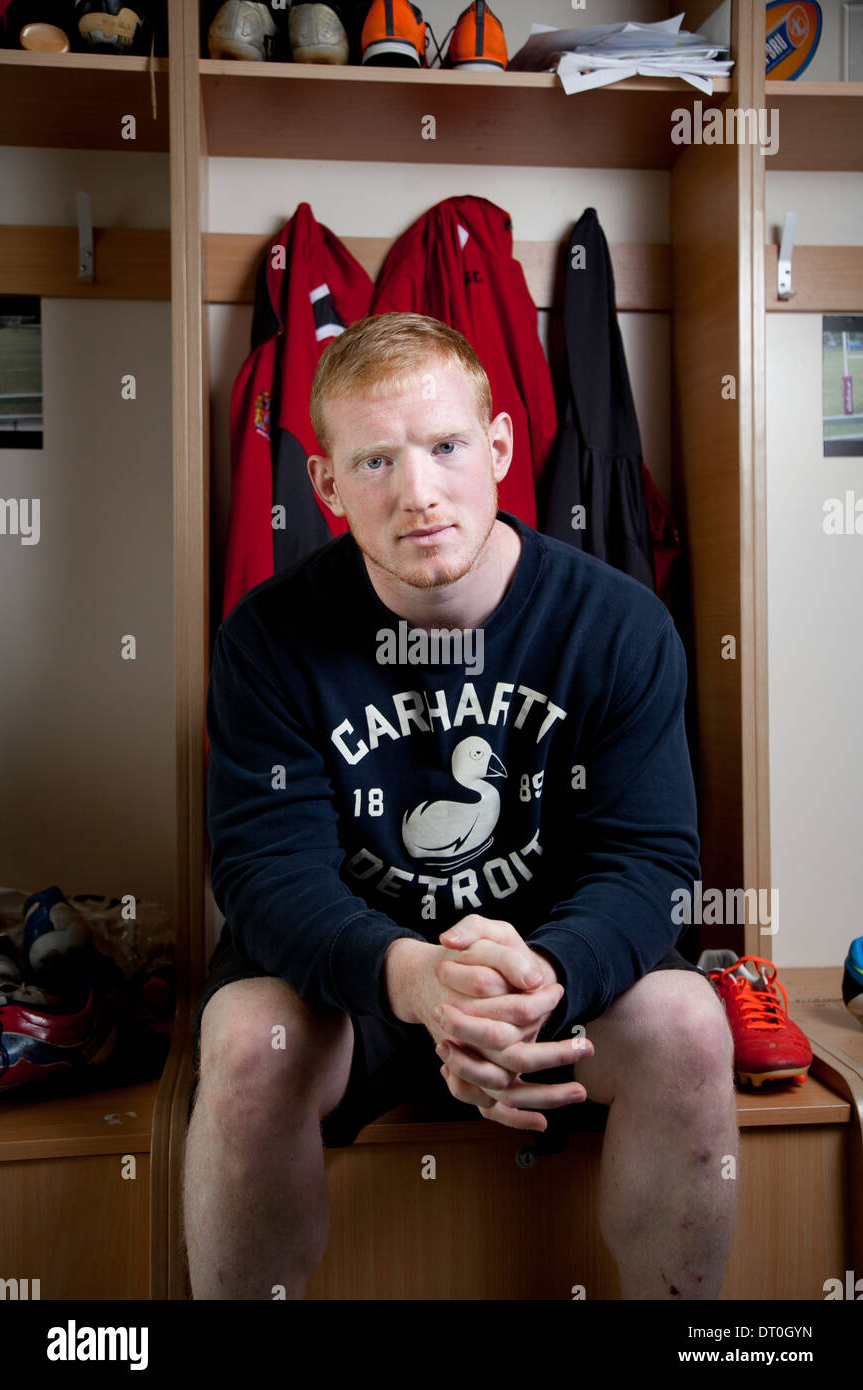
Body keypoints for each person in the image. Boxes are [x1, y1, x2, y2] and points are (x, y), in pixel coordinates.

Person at [183, 311, 738, 1301]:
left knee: (690, 1021)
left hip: (543, 983)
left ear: (496, 445)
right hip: (354, 996)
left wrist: (546, 975)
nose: (418, 493)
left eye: (444, 447)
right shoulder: (265, 639)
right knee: (241, 1041)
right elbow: (264, 874)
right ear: (324, 485)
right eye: (374, 462)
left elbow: (650, 862)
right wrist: (411, 979)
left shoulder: (616, 624)